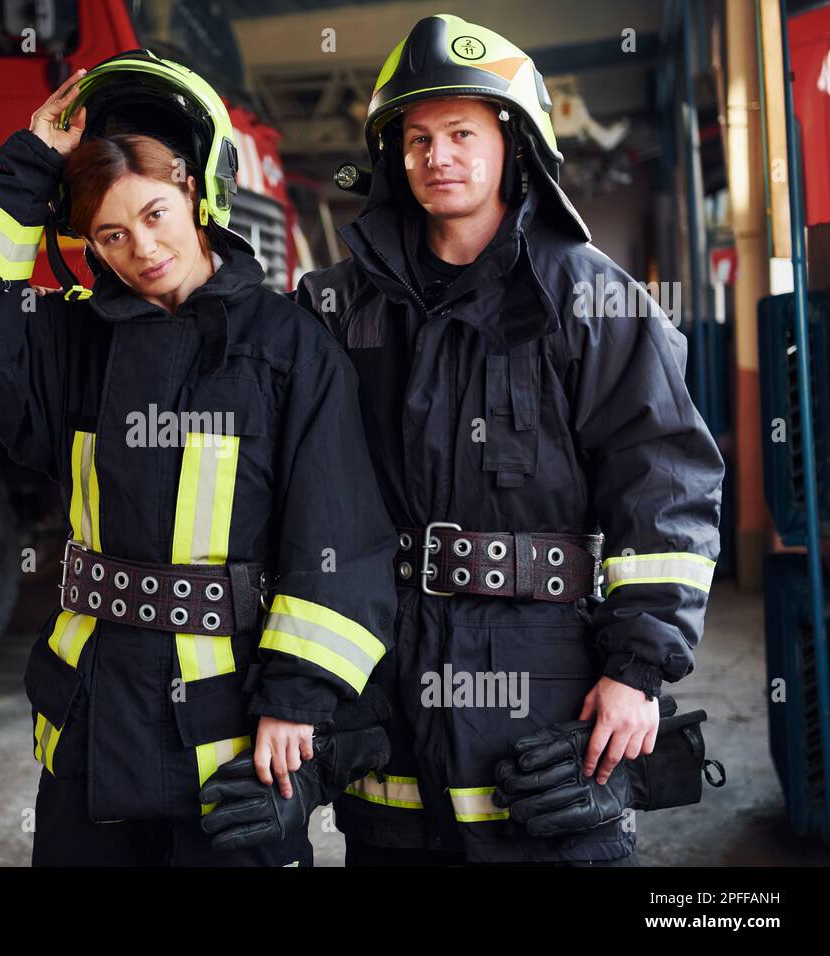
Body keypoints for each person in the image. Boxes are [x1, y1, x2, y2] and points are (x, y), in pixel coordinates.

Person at [0, 51, 397, 866]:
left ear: (198, 196)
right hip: (93, 728)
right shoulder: (71, 342)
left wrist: (295, 705)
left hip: (231, 740)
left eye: (157, 214)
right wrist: (31, 159)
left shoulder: (288, 347)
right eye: (112, 234)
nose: (143, 248)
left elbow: (338, 542)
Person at [290, 14, 725, 865]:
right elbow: (299, 492)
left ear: (513, 142)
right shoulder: (337, 307)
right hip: (390, 673)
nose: (435, 156)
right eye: (415, 138)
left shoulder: (593, 299)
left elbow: (665, 482)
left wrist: (638, 671)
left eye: (460, 132)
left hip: (552, 683)